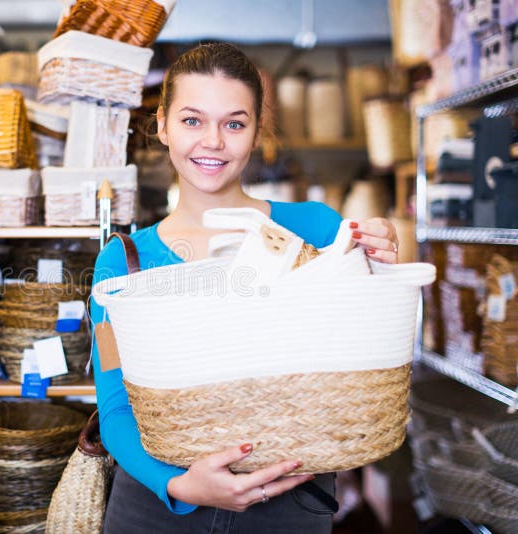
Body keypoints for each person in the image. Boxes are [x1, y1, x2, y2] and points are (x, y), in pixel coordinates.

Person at [89, 42, 400, 533]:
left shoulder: (317, 230)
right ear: (163, 126)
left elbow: (362, 357)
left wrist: (379, 268)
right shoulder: (123, 262)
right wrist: (179, 485)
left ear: (256, 132)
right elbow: (114, 406)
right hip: (156, 507)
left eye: (234, 124)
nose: (212, 141)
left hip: (288, 503)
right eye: (192, 120)